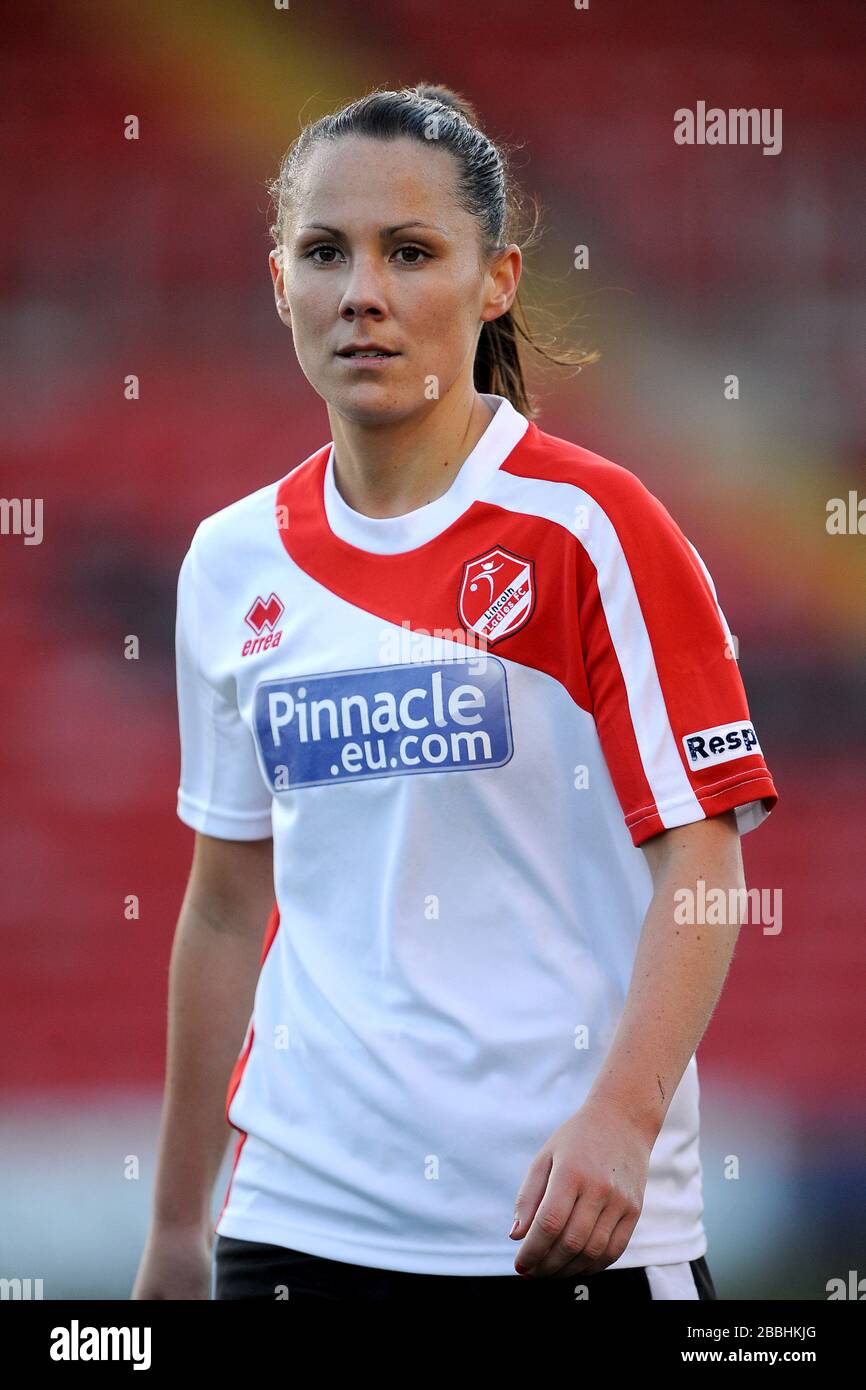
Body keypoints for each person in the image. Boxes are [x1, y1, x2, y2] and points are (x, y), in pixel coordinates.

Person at [132, 83, 779, 1305]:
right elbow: (224, 909)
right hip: (294, 1222)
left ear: (496, 282)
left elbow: (703, 866)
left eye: (410, 252)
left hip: (557, 1220)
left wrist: (621, 1122)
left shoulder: (594, 530)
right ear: (280, 282)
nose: (360, 292)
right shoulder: (229, 563)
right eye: (323, 252)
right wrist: (177, 1226)